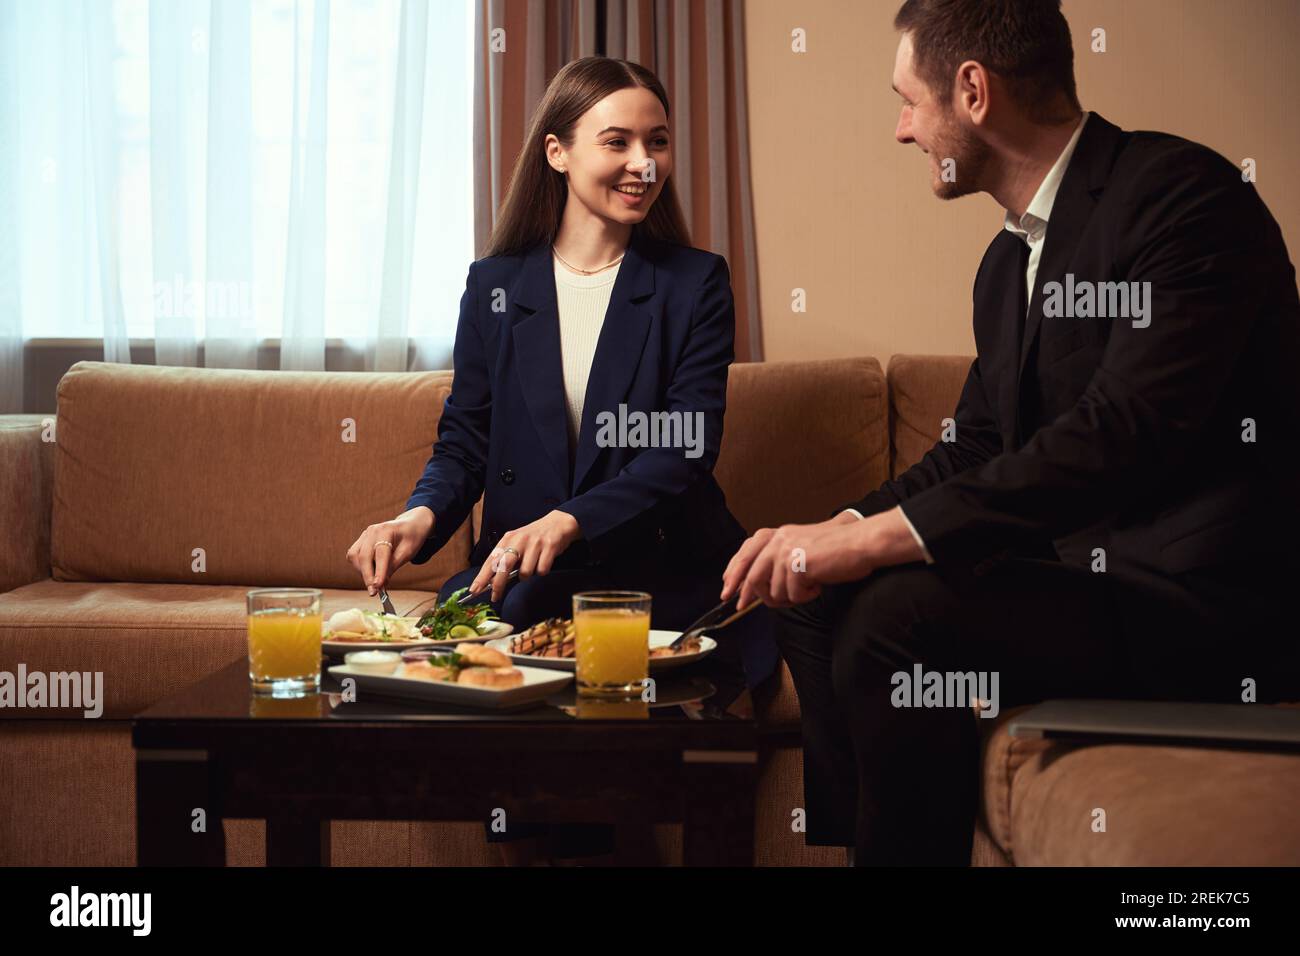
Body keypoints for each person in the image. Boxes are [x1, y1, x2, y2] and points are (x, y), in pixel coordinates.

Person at [721, 0, 1300, 866]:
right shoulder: (1008, 263)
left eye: (909, 102)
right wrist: (834, 532)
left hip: (1204, 607)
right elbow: (978, 445)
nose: (901, 130)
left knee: (894, 612)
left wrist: (878, 547)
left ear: (973, 91)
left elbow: (1121, 435)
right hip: (1092, 594)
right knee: (808, 594)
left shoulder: (1185, 198)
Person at [346, 55, 774, 864]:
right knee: (507, 728)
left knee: (633, 738)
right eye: (617, 142)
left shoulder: (693, 283)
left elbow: (683, 446)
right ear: (558, 152)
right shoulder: (495, 286)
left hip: (663, 572)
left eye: (658, 142)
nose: (643, 164)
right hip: (524, 579)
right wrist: (418, 516)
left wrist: (571, 517)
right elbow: (465, 438)